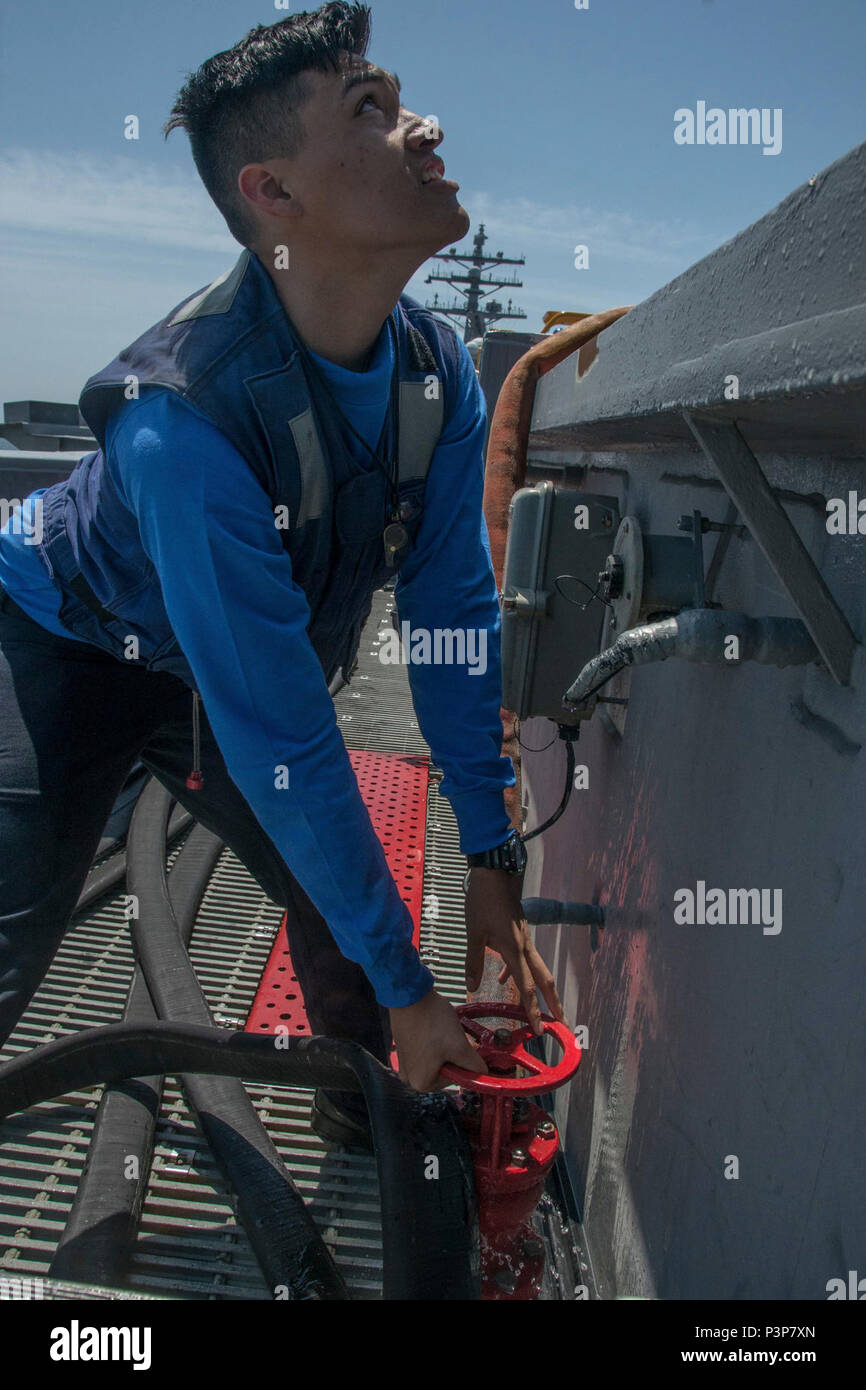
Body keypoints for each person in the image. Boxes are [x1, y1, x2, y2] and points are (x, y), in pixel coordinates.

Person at [0, 2, 562, 1146]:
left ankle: (382, 1119)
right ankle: (404, 1026)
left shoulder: (433, 374)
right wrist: (414, 982)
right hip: (59, 639)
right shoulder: (184, 430)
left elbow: (452, 614)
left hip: (208, 674)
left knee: (336, 893)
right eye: (373, 110)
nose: (425, 125)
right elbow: (287, 743)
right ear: (274, 195)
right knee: (15, 923)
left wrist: (490, 852)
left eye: (399, 98)